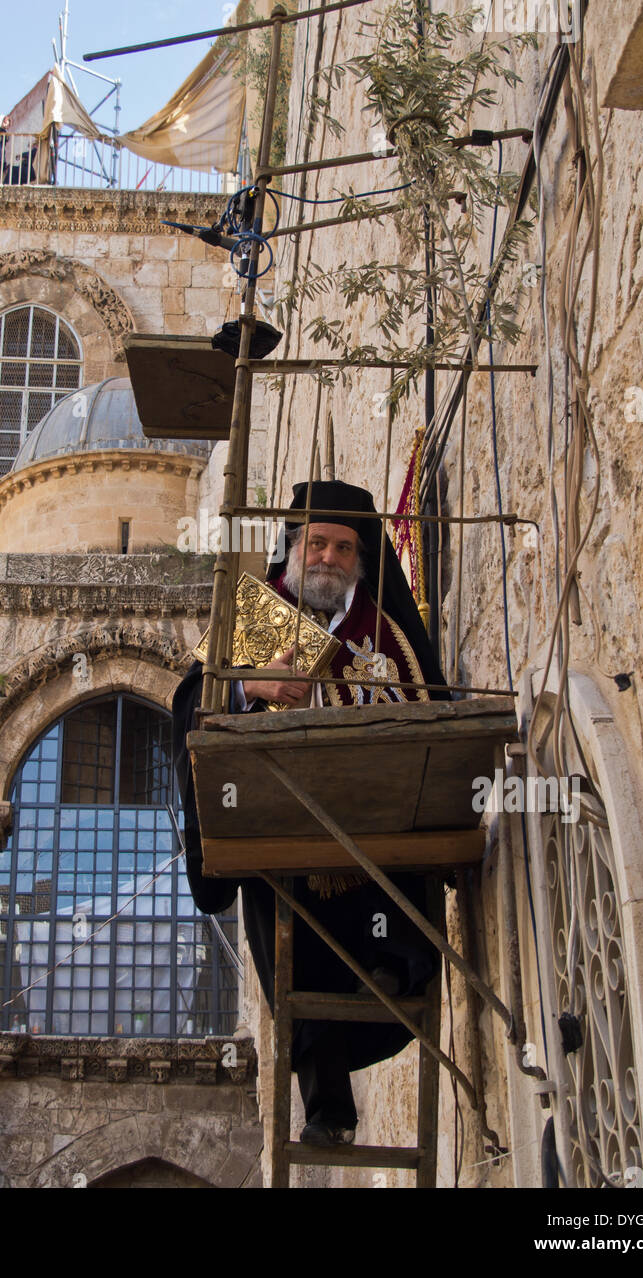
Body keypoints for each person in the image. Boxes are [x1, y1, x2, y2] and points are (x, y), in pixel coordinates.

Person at [172, 479, 448, 1146]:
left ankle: (390, 970)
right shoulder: (254, 614)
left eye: (342, 548)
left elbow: (426, 713)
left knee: (403, 851)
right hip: (281, 825)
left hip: (369, 825)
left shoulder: (383, 631)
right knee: (286, 923)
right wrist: (247, 684)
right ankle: (327, 1108)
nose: (327, 558)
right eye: (315, 544)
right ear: (293, 548)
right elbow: (187, 703)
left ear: (360, 558)